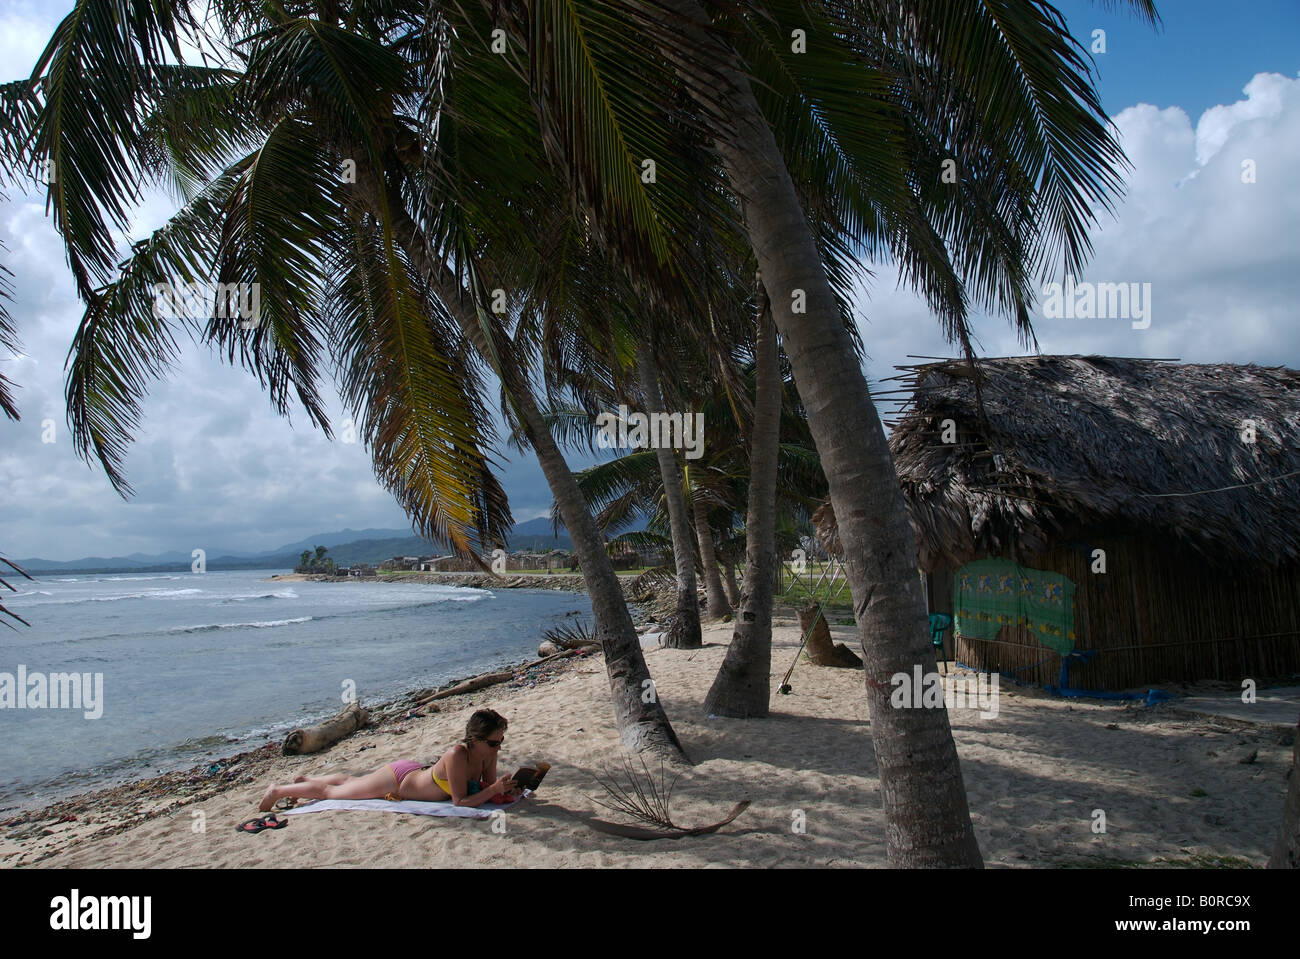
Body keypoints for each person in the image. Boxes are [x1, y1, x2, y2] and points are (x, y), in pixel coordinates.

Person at [258, 708, 518, 812]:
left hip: (413, 774)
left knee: (352, 781)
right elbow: (460, 801)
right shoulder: (457, 754)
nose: (498, 746)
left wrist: (504, 789)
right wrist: (494, 790)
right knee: (331, 792)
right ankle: (277, 790)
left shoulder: (488, 754)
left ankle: (307, 782)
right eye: (494, 742)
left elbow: (486, 790)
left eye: (500, 741)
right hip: (397, 781)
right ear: (475, 738)